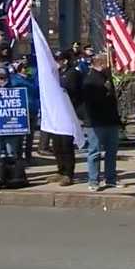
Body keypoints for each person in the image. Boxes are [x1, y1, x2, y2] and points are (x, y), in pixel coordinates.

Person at [80, 55, 123, 191]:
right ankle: (93, 181)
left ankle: (110, 179)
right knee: (95, 152)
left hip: (111, 120)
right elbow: (90, 103)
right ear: (103, 64)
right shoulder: (90, 80)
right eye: (109, 62)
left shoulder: (107, 77)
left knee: (111, 152)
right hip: (96, 123)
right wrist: (106, 91)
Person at [46, 50, 81, 186]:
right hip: (56, 114)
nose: (56, 62)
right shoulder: (57, 74)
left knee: (66, 145)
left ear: (65, 61)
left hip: (68, 113)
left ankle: (68, 174)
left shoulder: (73, 74)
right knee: (57, 145)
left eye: (58, 60)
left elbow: (73, 93)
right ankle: (60, 170)